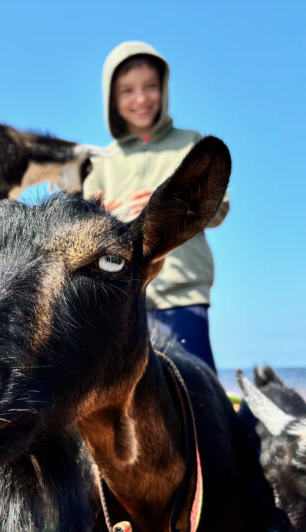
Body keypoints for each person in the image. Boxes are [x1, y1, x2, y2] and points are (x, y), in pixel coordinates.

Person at [83, 41, 229, 373]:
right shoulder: (101, 161)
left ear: (163, 88)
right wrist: (104, 216)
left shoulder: (191, 142)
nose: (141, 99)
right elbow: (85, 231)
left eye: (150, 86)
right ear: (112, 98)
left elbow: (218, 210)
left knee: (197, 392)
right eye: (127, 90)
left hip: (183, 295)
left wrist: (168, 204)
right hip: (121, 300)